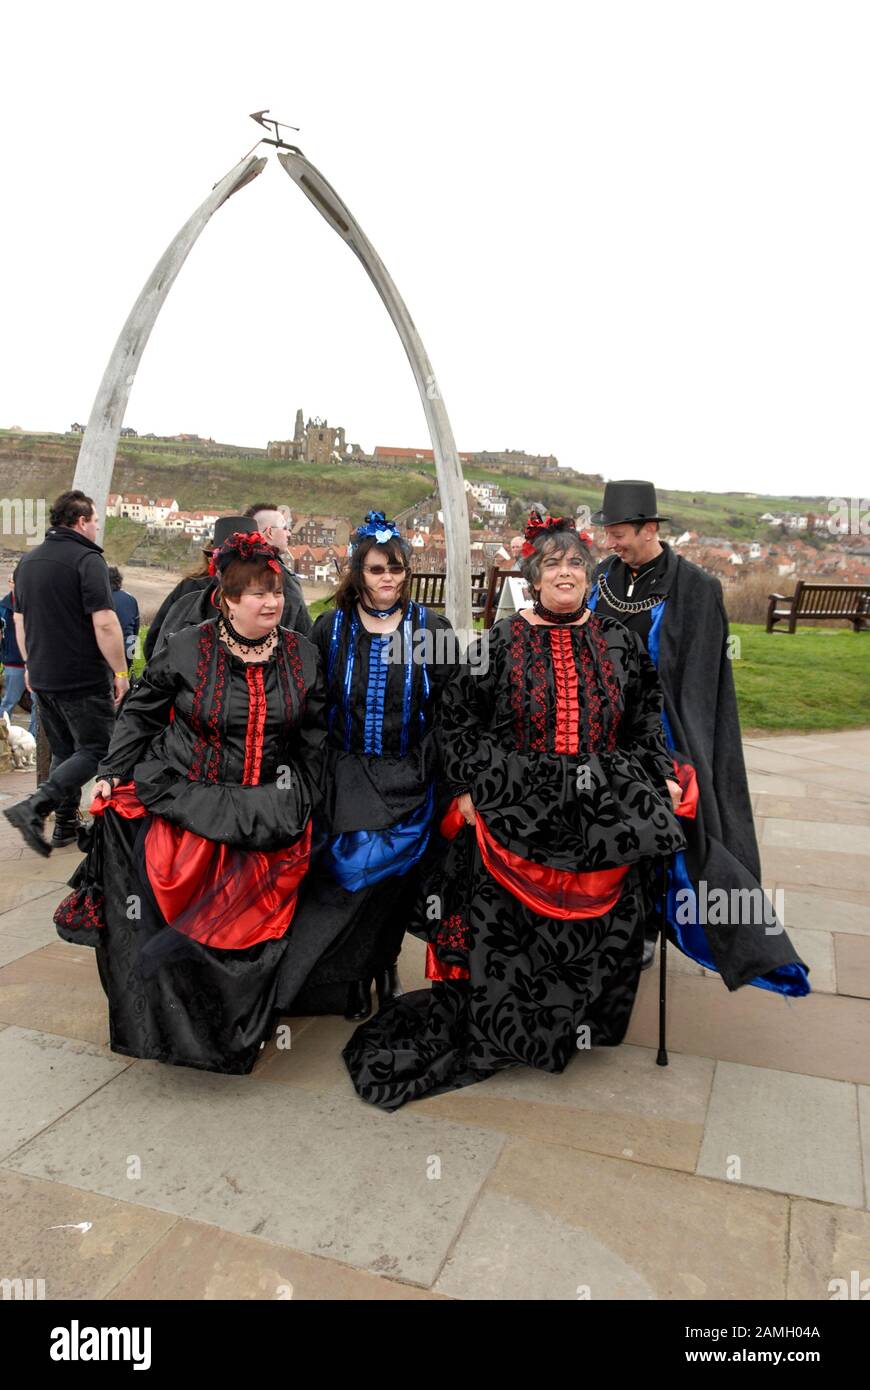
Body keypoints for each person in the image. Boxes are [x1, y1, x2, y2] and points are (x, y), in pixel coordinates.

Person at [342, 513, 687, 1110]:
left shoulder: (619, 642)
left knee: (596, 921)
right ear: (532, 576)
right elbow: (458, 722)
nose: (565, 573)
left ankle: (573, 1026)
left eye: (576, 563)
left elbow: (645, 716)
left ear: (589, 575)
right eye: (552, 564)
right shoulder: (498, 644)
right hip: (518, 803)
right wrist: (474, 790)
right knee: (513, 934)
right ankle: (511, 1029)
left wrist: (658, 773)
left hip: (597, 804)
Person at [55, 531, 326, 1075]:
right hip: (190, 803)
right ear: (225, 599)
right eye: (255, 593)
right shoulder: (186, 648)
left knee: (251, 934)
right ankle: (179, 1035)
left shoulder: (303, 656)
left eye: (275, 590)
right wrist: (111, 772)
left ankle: (233, 1039)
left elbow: (314, 737)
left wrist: (302, 791)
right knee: (180, 924)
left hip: (266, 809)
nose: (271, 601)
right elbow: (140, 715)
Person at [588, 479, 809, 993]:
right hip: (603, 734)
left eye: (620, 533)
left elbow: (704, 681)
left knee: (660, 838)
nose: (612, 543)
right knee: (607, 830)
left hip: (666, 734)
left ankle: (647, 928)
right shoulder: (601, 578)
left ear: (648, 529)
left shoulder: (697, 587)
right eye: (610, 533)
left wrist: (683, 749)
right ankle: (612, 923)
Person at [275, 511, 456, 1022]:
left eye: (396, 569)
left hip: (410, 775)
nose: (388, 579)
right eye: (377, 569)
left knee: (394, 885)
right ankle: (348, 979)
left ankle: (386, 966)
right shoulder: (331, 628)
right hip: (346, 774)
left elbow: (451, 704)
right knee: (347, 875)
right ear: (359, 571)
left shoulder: (431, 628)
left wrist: (436, 765)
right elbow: (310, 699)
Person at [3, 491, 128, 854]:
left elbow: (19, 621)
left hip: (42, 676)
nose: (97, 526)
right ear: (80, 522)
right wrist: (120, 670)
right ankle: (35, 807)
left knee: (65, 752)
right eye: (95, 520)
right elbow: (105, 623)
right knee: (99, 748)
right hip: (81, 677)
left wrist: (30, 665)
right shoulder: (88, 560)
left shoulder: (28, 562)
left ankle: (66, 826)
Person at [144, 514, 311, 662]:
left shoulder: (287, 600)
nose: (271, 602)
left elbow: (307, 655)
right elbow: (157, 660)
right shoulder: (186, 601)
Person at [0, 575, 37, 738]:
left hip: (36, 662)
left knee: (38, 703)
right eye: (13, 581)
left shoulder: (36, 604)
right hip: (13, 663)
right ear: (9, 584)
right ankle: (3, 737)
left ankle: (33, 737)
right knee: (9, 701)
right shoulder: (3, 606)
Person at [244, 502, 295, 573]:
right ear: (270, 532)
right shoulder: (266, 575)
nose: (289, 534)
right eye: (284, 528)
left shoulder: (241, 565)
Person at [108, 567, 140, 674]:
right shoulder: (131, 599)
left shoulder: (102, 597)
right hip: (127, 650)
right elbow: (135, 630)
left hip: (106, 652)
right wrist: (133, 656)